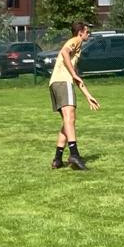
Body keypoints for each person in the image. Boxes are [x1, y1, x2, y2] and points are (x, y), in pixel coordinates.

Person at [48, 21, 100, 170]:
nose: (88, 34)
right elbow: (64, 52)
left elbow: (76, 77)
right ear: (80, 33)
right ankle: (74, 154)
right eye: (87, 32)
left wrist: (88, 95)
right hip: (63, 83)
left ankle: (57, 159)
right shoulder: (76, 41)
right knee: (70, 118)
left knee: (67, 121)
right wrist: (72, 74)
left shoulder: (76, 45)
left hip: (56, 83)